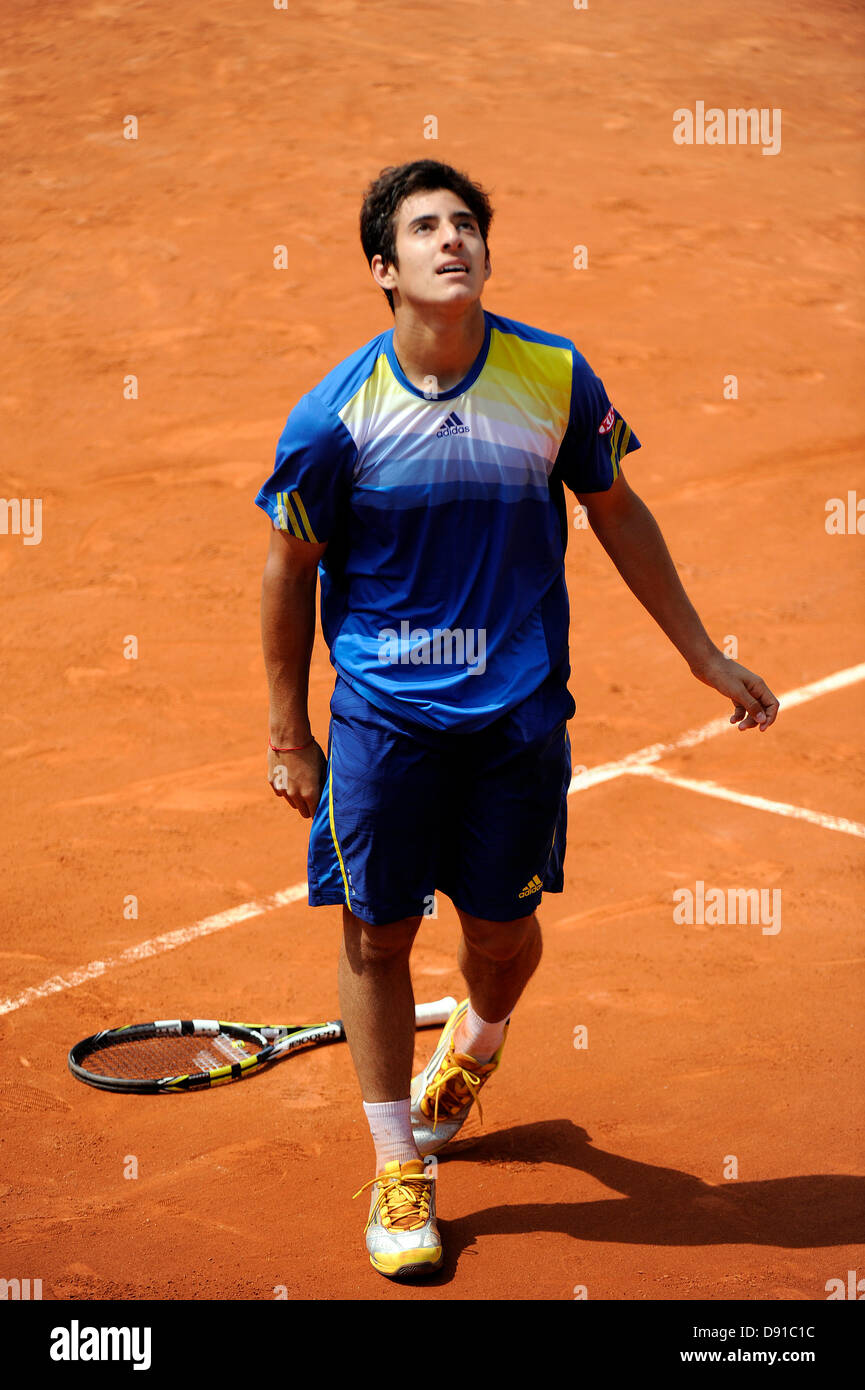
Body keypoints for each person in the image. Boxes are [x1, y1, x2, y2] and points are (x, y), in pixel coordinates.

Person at [255, 159, 779, 1280]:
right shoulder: (334, 415)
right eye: (425, 227)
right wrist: (288, 731)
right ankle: (399, 1161)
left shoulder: (553, 376)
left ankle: (476, 1043)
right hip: (385, 721)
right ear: (382, 269)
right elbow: (286, 566)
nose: (453, 240)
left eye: (467, 225)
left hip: (516, 720)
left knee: (499, 936)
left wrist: (702, 652)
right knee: (376, 932)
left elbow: (616, 509)